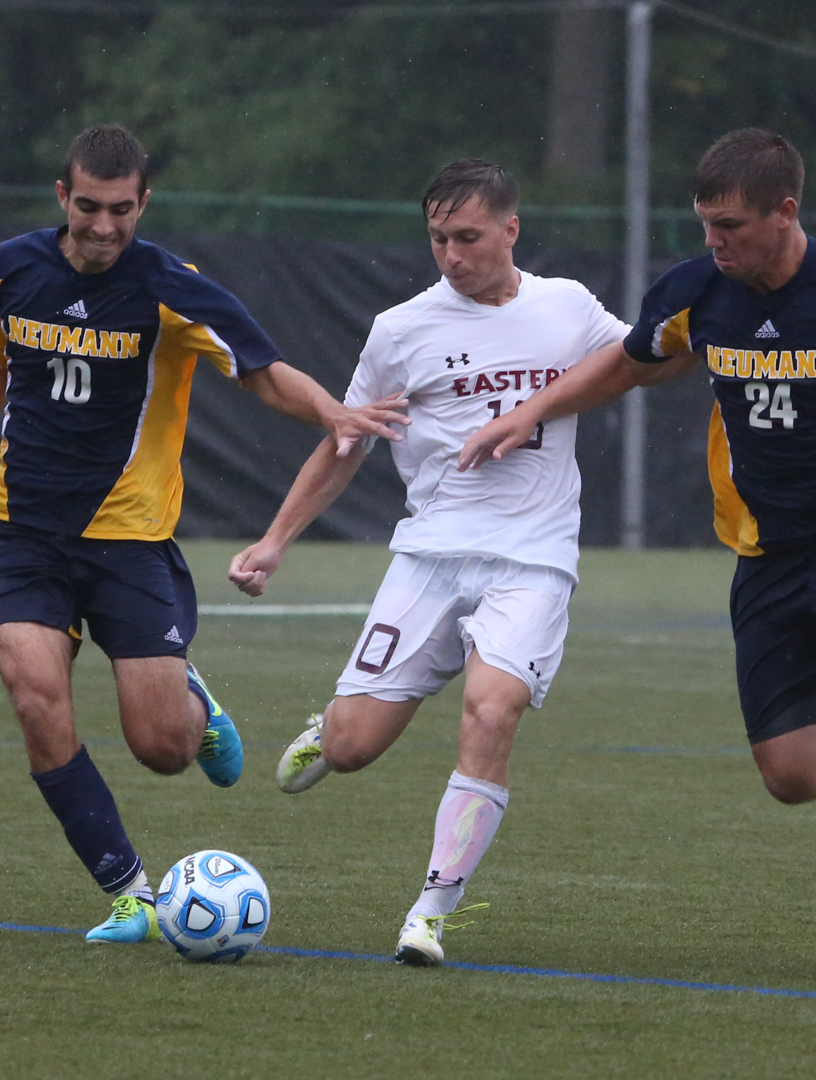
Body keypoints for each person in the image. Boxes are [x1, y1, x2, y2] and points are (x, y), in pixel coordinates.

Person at [459, 129, 816, 980]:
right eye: (706, 224)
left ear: (786, 212)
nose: (715, 242)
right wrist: (532, 413)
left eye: (731, 226)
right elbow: (630, 363)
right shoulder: (699, 290)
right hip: (764, 551)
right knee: (791, 772)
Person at [0, 124, 402, 945]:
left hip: (127, 540)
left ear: (144, 204)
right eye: (88, 207)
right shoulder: (13, 269)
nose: (102, 228)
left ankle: (191, 702)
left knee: (162, 747)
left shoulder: (170, 287)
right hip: (18, 530)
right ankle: (128, 890)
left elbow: (263, 371)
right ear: (63, 197)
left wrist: (333, 412)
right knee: (34, 695)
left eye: (120, 211)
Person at [224, 159, 639, 967]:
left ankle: (430, 912)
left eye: (469, 237)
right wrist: (273, 542)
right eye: (439, 238)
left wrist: (534, 410)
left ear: (511, 230)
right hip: (430, 559)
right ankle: (331, 727)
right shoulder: (401, 329)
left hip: (533, 559)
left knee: (490, 713)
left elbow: (635, 362)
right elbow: (347, 439)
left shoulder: (568, 307)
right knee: (353, 747)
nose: (451, 255)